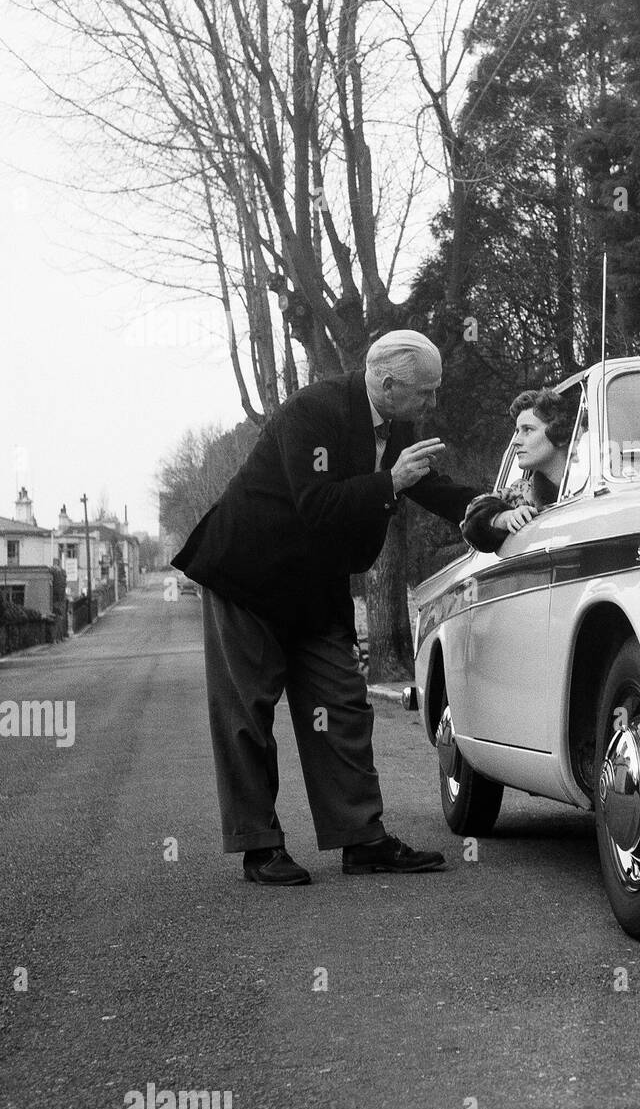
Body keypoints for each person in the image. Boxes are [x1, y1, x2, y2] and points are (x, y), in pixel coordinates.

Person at [173, 330, 480, 886]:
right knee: (247, 714)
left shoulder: (394, 420)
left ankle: (361, 840)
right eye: (425, 393)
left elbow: (426, 485)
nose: (432, 404)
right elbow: (316, 505)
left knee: (340, 704)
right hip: (249, 575)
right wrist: (390, 480)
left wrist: (490, 508)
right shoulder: (313, 412)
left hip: (315, 584)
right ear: (387, 384)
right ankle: (259, 846)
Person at [461, 388, 573, 552]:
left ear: (561, 434)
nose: (516, 441)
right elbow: (472, 516)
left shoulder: (595, 480)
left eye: (528, 429)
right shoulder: (524, 492)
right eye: (517, 431)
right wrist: (504, 518)